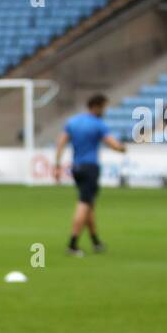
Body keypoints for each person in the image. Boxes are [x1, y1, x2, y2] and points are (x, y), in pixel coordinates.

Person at [53, 94, 126, 256]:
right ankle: (72, 244)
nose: (104, 111)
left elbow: (61, 143)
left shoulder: (73, 121)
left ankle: (95, 242)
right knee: (84, 203)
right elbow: (113, 144)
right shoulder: (98, 124)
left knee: (89, 205)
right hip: (90, 168)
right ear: (97, 106)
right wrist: (122, 148)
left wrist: (57, 165)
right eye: (103, 107)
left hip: (76, 167)